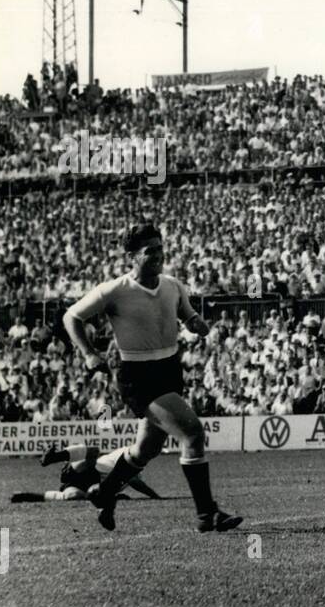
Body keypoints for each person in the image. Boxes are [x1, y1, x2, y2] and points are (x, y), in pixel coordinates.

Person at [61, 222, 241, 533]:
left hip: (170, 368)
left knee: (146, 449)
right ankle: (206, 514)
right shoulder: (114, 291)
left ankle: (103, 492)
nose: (158, 255)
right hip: (138, 375)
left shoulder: (172, 285)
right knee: (193, 433)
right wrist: (90, 354)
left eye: (160, 248)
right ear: (131, 256)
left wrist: (196, 323)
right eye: (150, 251)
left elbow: (186, 313)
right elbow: (71, 316)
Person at [11, 443, 161, 503]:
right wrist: (156, 497)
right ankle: (55, 457)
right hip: (86, 470)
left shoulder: (140, 464)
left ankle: (24, 496)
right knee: (94, 451)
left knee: (71, 496)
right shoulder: (130, 452)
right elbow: (135, 481)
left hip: (87, 483)